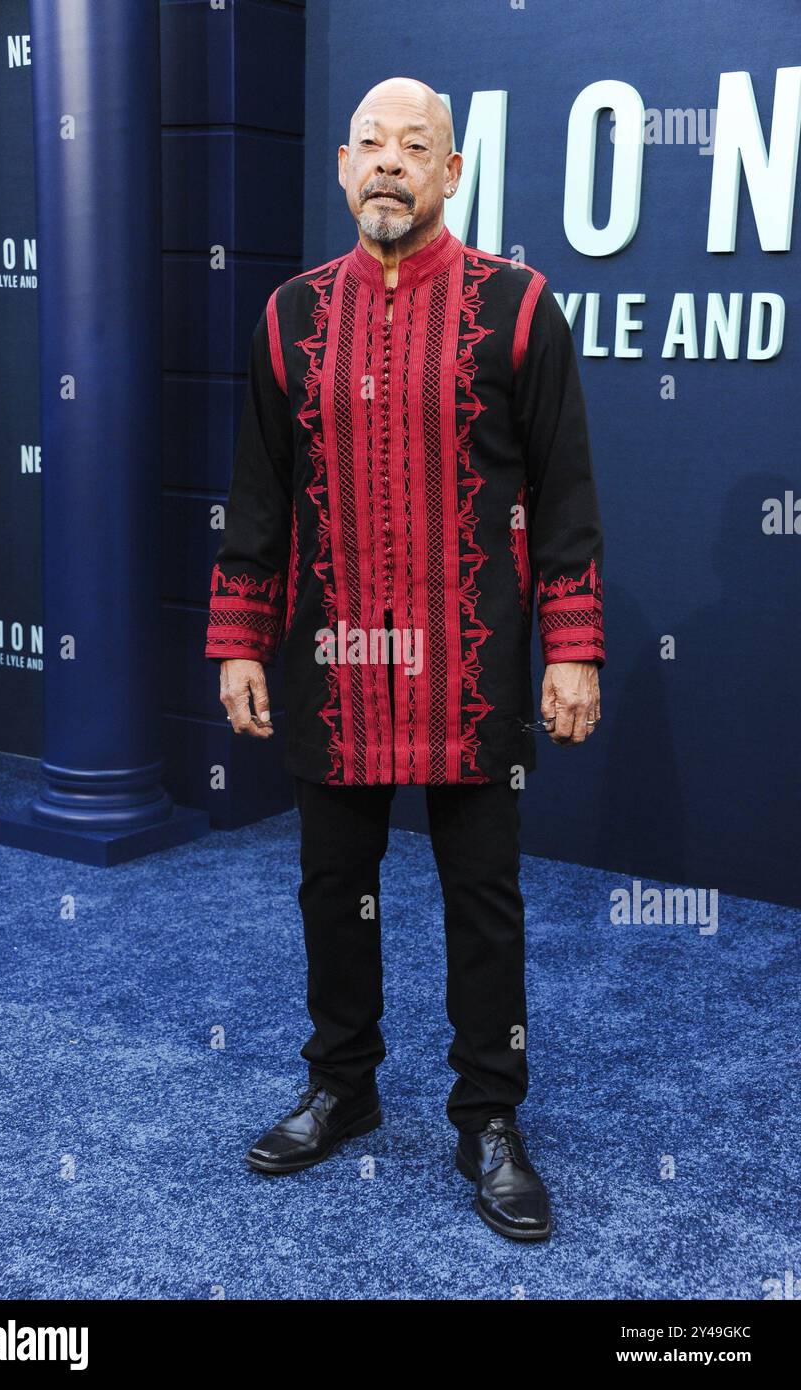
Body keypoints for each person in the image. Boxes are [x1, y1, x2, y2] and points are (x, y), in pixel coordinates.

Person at [204, 77, 605, 1242]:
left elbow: (566, 496)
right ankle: (344, 1084)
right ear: (342, 169)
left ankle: (489, 1118)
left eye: (414, 146)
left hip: (470, 671)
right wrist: (238, 638)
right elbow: (259, 495)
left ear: (451, 173)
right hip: (332, 664)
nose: (390, 163)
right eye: (371, 146)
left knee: (483, 902)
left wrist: (571, 649)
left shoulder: (520, 309)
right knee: (335, 889)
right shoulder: (289, 317)